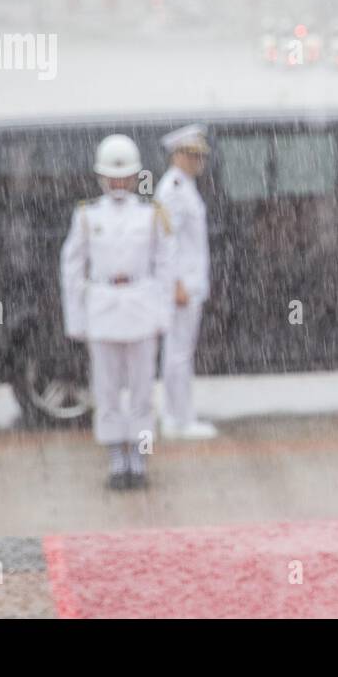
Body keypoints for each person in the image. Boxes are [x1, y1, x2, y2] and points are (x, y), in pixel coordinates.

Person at [60, 134, 176, 490]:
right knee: (107, 390)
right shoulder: (86, 216)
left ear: (135, 175)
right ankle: (115, 459)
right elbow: (72, 269)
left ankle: (138, 461)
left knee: (142, 391)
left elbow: (165, 266)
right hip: (103, 306)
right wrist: (76, 319)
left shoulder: (150, 215)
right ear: (101, 177)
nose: (118, 182)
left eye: (124, 175)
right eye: (112, 175)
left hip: (140, 304)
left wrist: (162, 314)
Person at [155, 124, 217, 440]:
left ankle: (178, 415)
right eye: (193, 155)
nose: (199, 161)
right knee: (178, 353)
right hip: (182, 285)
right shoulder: (173, 189)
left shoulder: (186, 186)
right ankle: (177, 418)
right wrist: (176, 283)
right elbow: (168, 242)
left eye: (200, 155)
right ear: (178, 155)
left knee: (181, 352)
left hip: (190, 282)